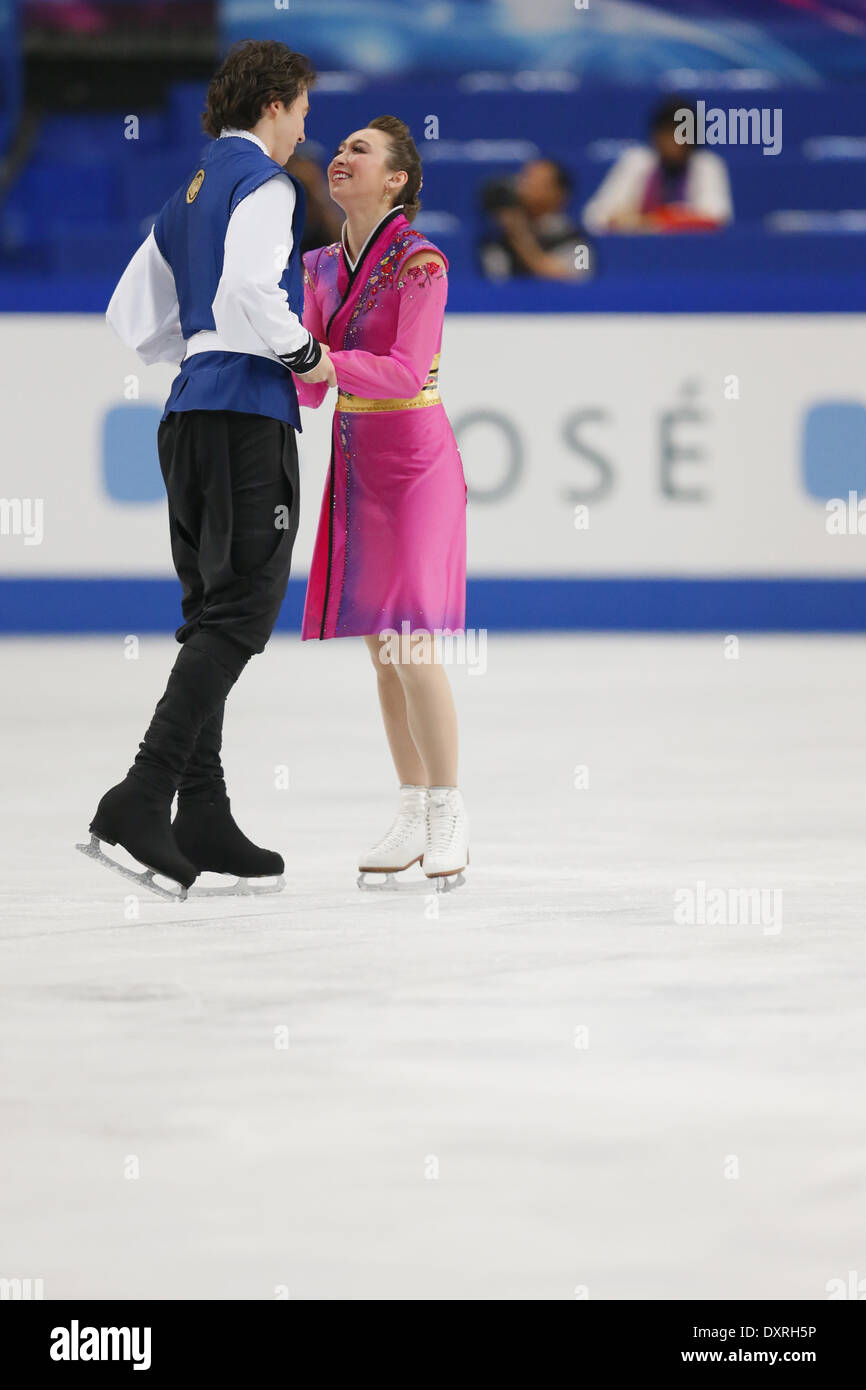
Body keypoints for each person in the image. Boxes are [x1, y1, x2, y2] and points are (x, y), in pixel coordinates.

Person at [80, 39, 335, 899]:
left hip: (188, 411)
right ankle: (143, 795)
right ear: (272, 105)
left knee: (208, 608)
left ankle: (204, 811)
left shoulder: (186, 192)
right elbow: (256, 293)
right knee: (242, 610)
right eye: (302, 109)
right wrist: (308, 358)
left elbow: (129, 315)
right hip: (243, 416)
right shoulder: (266, 184)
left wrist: (197, 347)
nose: (307, 128)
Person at [294, 116, 469, 889]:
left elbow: (404, 371)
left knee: (411, 642)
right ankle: (410, 805)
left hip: (415, 462)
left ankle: (448, 809)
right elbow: (307, 381)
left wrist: (322, 361)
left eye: (359, 151)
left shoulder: (421, 262)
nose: (340, 156)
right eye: (339, 148)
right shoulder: (320, 266)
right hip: (356, 458)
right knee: (379, 645)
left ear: (396, 180)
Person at [582, 96, 733, 234]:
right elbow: (595, 216)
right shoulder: (636, 161)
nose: (675, 140)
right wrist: (622, 220)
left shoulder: (707, 164)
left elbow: (717, 217)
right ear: (655, 135)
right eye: (668, 133)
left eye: (683, 132)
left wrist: (655, 221)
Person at [479, 157, 588, 281]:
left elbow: (576, 280)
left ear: (559, 194)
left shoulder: (579, 243)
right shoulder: (497, 239)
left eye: (537, 183)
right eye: (525, 178)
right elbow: (495, 283)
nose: (525, 187)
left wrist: (520, 234)